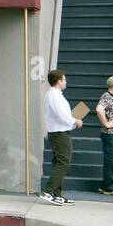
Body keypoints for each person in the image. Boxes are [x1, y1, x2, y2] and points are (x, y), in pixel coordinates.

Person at [41, 69, 82, 204]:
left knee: (59, 162)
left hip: (58, 131)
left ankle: (57, 194)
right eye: (64, 79)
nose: (66, 81)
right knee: (64, 162)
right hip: (59, 133)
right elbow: (61, 114)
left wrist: (71, 123)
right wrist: (74, 121)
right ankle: (47, 191)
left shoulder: (54, 94)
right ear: (58, 81)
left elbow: (60, 115)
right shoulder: (54, 95)